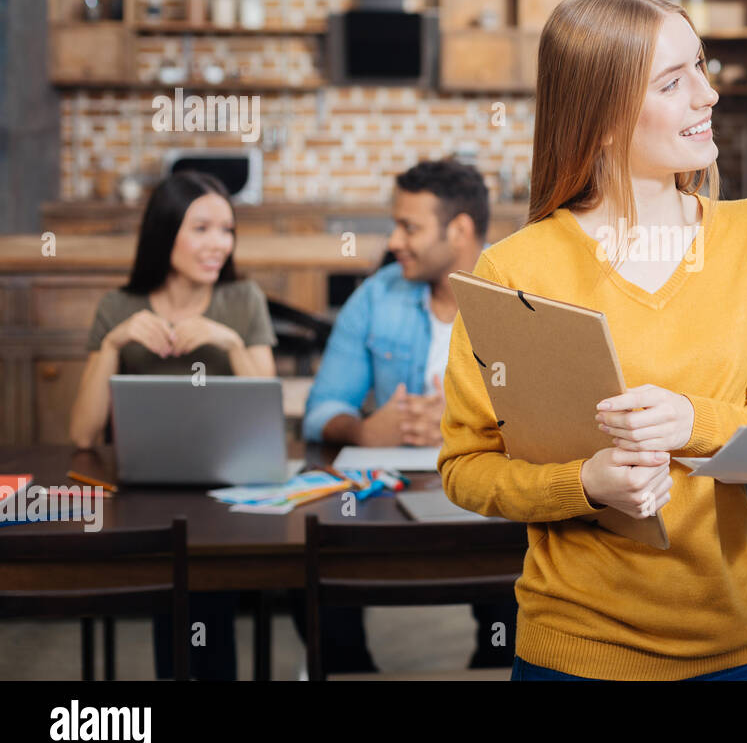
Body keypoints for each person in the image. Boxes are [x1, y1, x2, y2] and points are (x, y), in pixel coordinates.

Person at [438, 0, 747, 681]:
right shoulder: (515, 269)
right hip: (573, 651)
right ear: (602, 118)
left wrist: (690, 421)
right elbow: (466, 467)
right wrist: (584, 485)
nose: (708, 96)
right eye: (673, 82)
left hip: (726, 646)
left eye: (701, 68)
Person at [300, 158, 517, 670]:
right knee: (309, 572)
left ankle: (489, 669)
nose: (395, 241)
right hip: (387, 498)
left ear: (459, 230)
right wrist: (362, 428)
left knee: (518, 585)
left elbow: (555, 421)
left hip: (484, 500)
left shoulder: (517, 299)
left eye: (410, 227)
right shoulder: (377, 296)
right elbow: (320, 409)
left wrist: (468, 418)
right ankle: (353, 673)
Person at [70, 170, 277, 680]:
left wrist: (227, 342)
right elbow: (82, 435)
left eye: (226, 230)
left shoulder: (241, 300)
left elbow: (267, 419)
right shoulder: (118, 308)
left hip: (226, 493)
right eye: (202, 229)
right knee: (176, 585)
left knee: (208, 594)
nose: (219, 245)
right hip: (144, 493)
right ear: (165, 233)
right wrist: (114, 344)